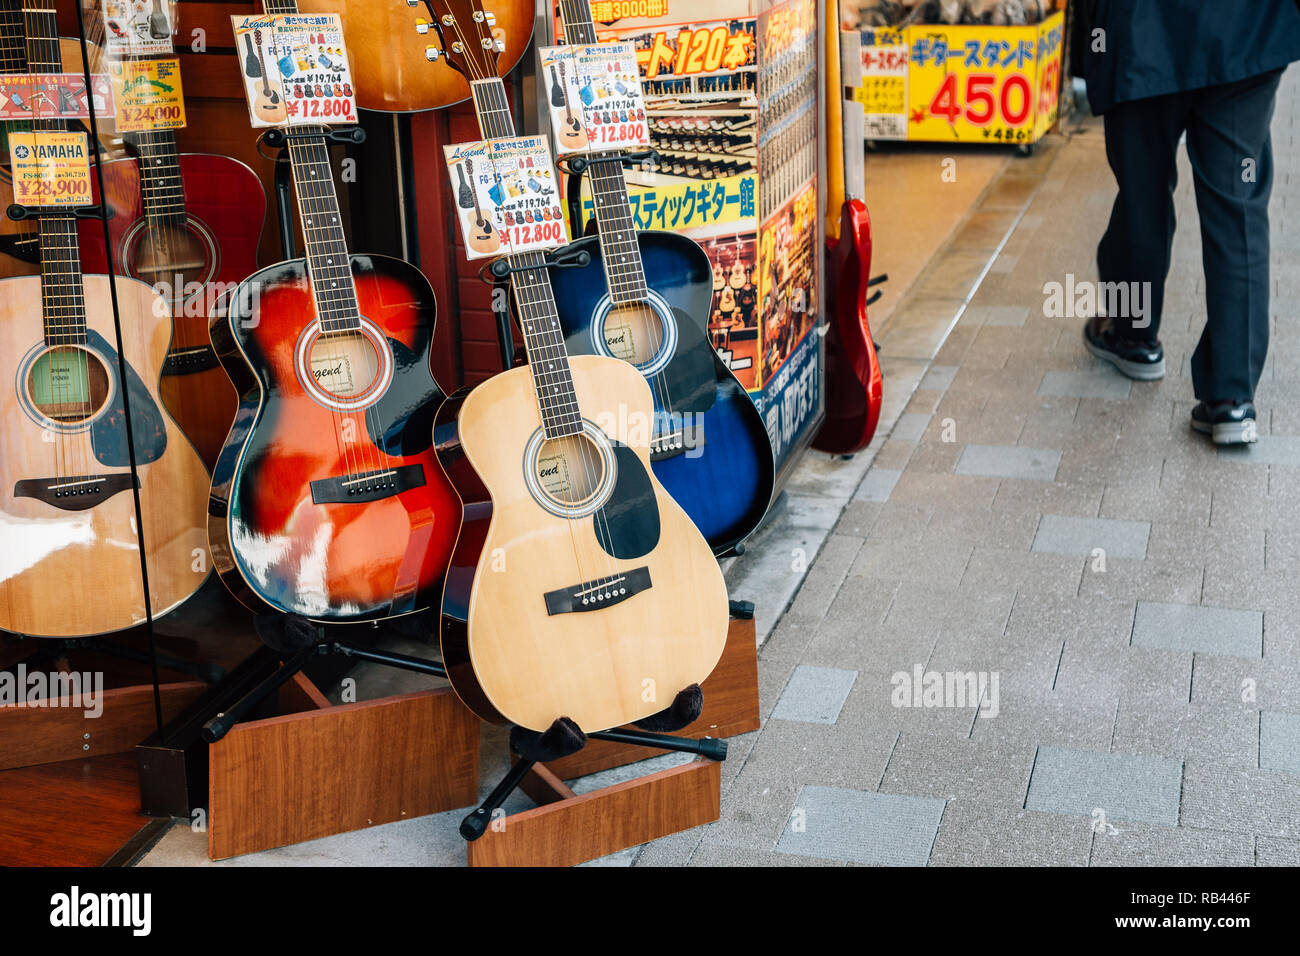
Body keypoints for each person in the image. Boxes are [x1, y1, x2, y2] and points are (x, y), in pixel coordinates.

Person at [1081, 0, 1300, 444]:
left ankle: (1133, 336)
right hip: (1247, 26)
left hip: (1142, 29)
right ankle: (1232, 399)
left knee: (1142, 191)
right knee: (1236, 206)